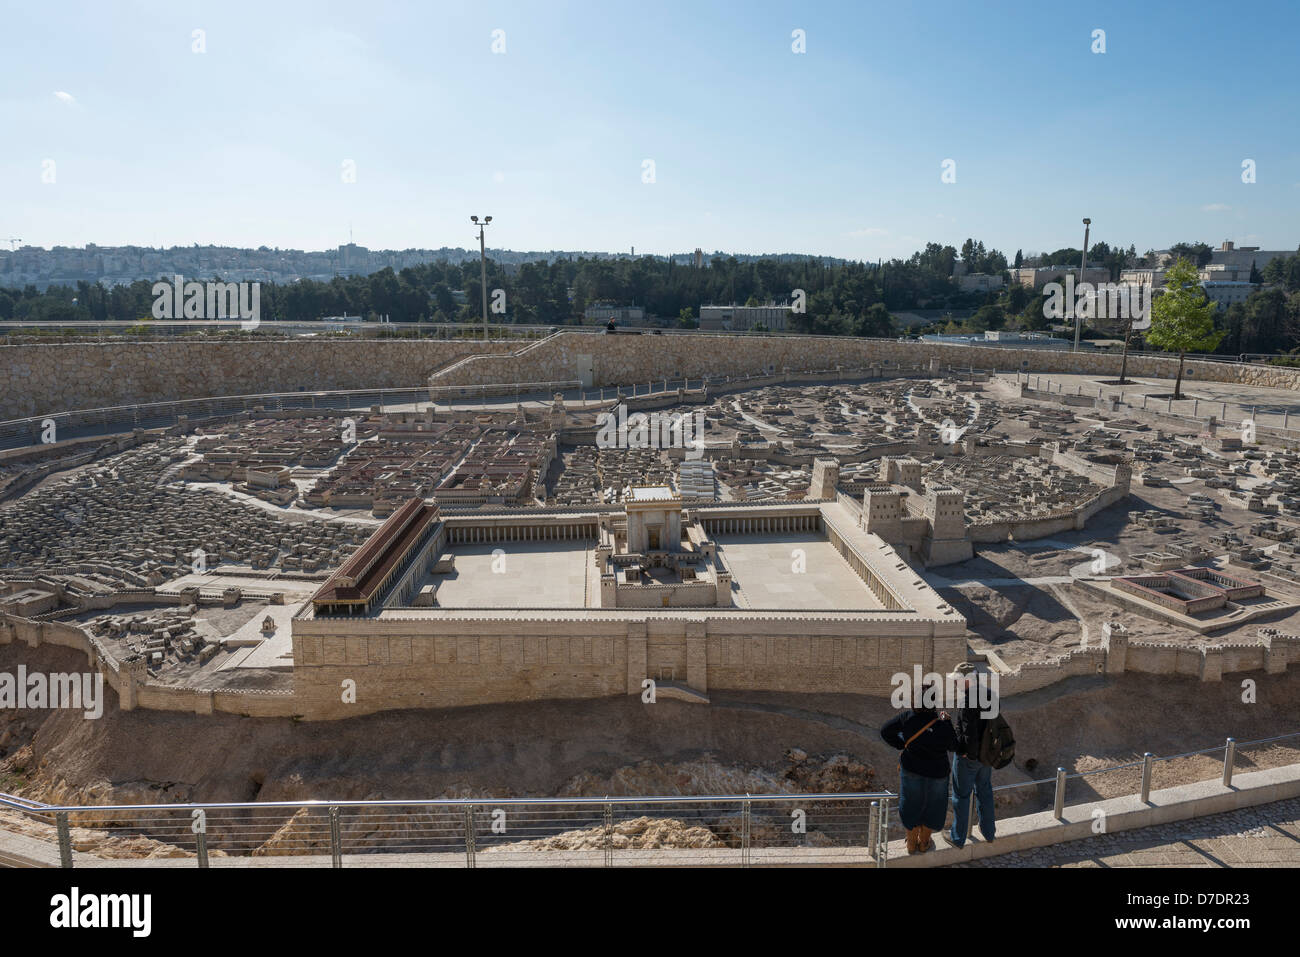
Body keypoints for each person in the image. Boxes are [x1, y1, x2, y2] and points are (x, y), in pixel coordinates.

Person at [880, 698, 957, 854]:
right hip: (937, 772)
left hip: (912, 769)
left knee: (911, 802)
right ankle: (924, 843)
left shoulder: (908, 717)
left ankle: (911, 843)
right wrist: (947, 722)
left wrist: (901, 744)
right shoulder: (941, 722)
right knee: (933, 805)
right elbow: (954, 746)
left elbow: (885, 731)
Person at [949, 662, 996, 847]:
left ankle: (957, 838)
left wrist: (968, 754)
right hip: (986, 756)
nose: (955, 684)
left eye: (957, 680)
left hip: (969, 758)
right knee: (985, 791)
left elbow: (969, 733)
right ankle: (989, 832)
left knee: (961, 796)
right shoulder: (990, 694)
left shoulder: (967, 701)